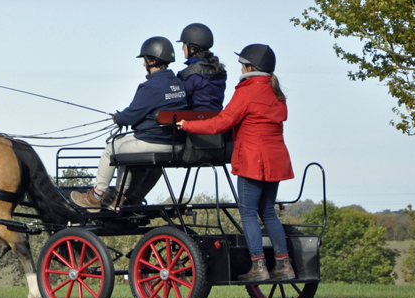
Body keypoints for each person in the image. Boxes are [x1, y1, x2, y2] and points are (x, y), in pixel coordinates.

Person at [177, 44, 296, 281]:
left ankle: (258, 267)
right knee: (268, 213)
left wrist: (187, 125)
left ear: (249, 67)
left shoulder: (247, 90)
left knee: (248, 211)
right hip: (276, 158)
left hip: (253, 159)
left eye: (242, 64)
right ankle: (284, 265)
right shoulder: (276, 93)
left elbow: (221, 123)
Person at [70, 36, 187, 211]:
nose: (143, 65)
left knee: (112, 148)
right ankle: (119, 195)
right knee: (124, 144)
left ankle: (96, 196)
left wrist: (118, 118)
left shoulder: (151, 86)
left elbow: (131, 116)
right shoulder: (177, 83)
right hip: (175, 143)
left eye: (145, 60)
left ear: (152, 60)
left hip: (155, 142)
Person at [177, 23, 226, 111]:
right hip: (216, 120)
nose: (182, 48)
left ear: (192, 48)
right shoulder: (219, 71)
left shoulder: (188, 74)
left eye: (184, 44)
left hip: (195, 121)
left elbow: (179, 101)